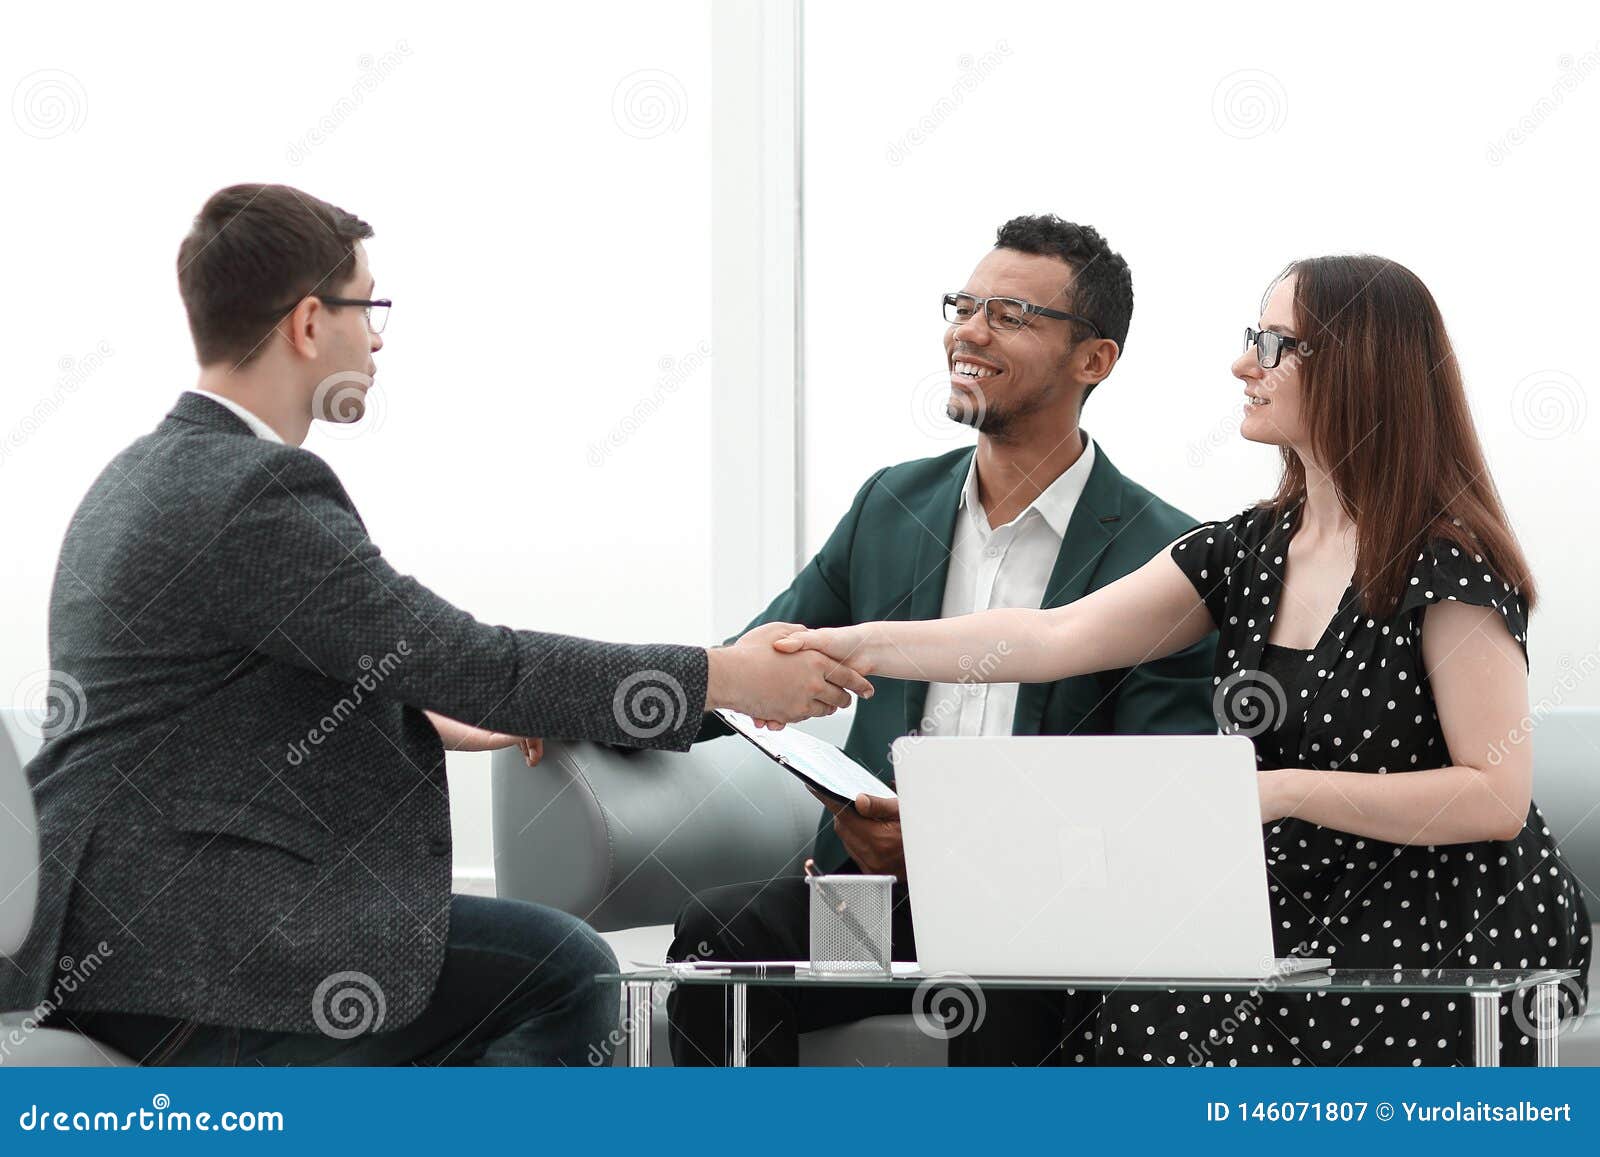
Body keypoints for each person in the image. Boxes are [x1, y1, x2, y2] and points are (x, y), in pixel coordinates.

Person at [2, 183, 870, 1067]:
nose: (376, 339)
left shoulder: (138, 474)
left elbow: (222, 699)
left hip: (113, 940)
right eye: (367, 308)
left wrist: (442, 717)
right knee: (566, 971)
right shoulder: (252, 490)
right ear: (310, 323)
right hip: (189, 954)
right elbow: (466, 657)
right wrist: (727, 674)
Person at [774, 254, 1592, 1066]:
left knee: (1157, 1021)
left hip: (1447, 920)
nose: (1244, 364)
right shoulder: (1250, 548)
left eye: (1275, 344)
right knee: (1129, 1008)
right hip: (1294, 906)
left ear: (1358, 368)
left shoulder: (1445, 562)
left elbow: (1495, 796)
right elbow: (1053, 637)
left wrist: (1284, 791)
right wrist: (854, 643)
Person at [667, 215, 1218, 1067]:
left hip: (1043, 917)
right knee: (720, 936)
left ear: (1094, 359)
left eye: (1010, 314)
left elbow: (1152, 791)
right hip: (873, 903)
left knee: (999, 980)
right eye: (964, 306)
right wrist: (590, 707)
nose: (970, 331)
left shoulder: (1164, 555)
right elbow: (751, 664)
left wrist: (953, 844)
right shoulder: (892, 504)